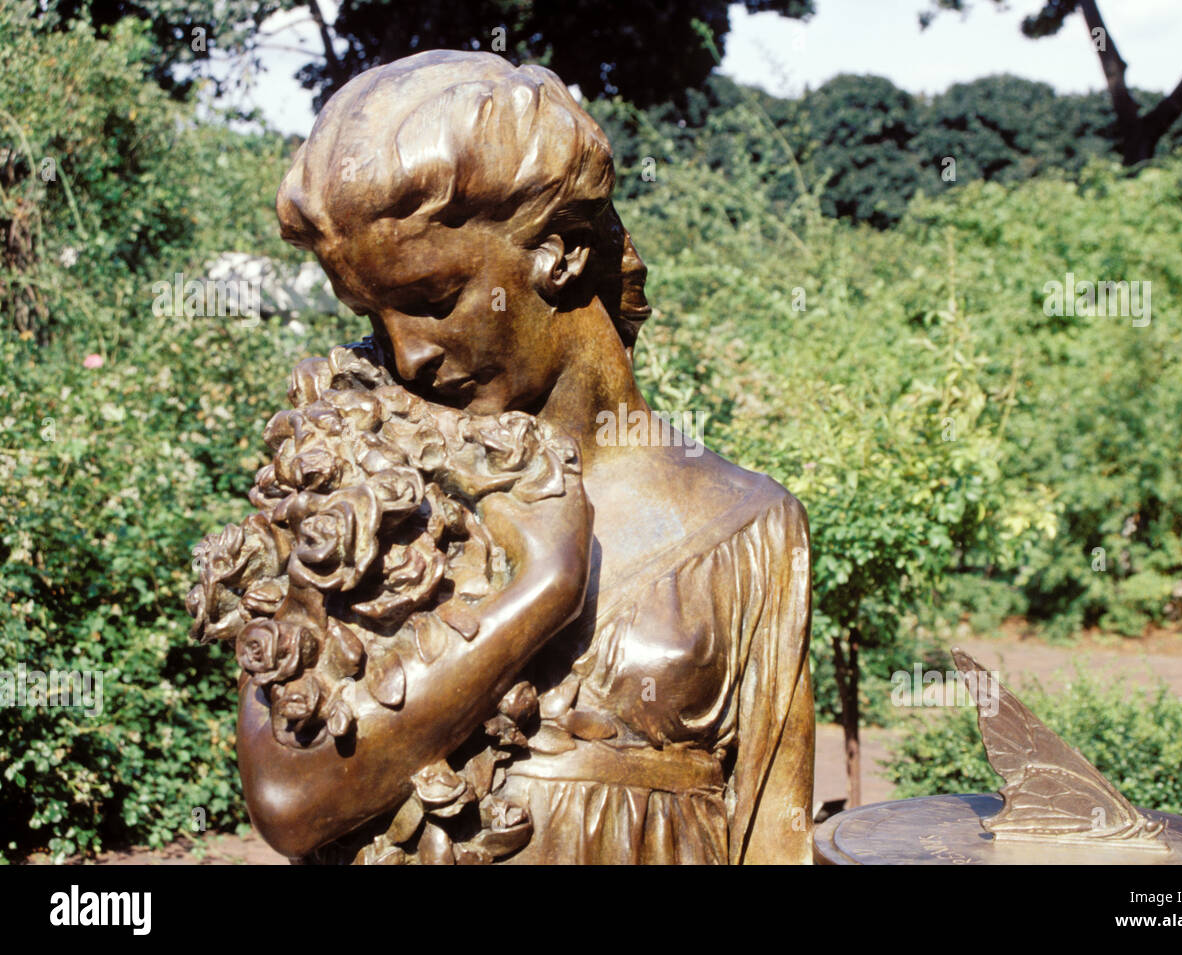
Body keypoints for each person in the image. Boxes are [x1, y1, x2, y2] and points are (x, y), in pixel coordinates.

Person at [245, 49, 813, 864]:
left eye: (434, 299)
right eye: (372, 311)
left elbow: (772, 837)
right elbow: (289, 801)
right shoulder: (354, 479)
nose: (407, 357)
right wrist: (541, 589)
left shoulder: (749, 527)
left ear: (560, 252)